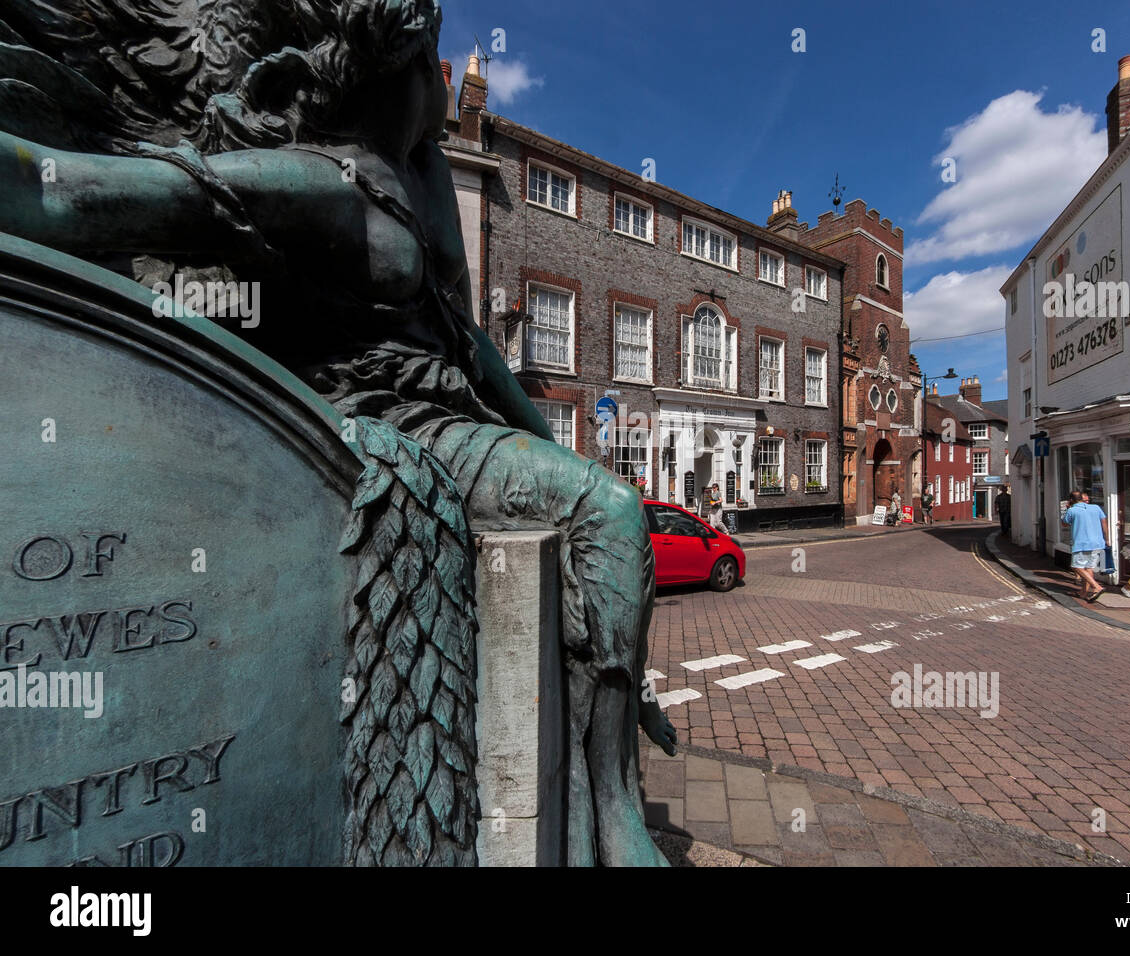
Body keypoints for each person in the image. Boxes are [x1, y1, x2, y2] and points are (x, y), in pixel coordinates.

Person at [0, 0, 674, 867]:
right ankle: (612, 812)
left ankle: (599, 792)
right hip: (377, 422)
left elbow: (469, 342)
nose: (445, 73)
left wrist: (549, 438)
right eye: (433, 51)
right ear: (397, 62)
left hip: (453, 415)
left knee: (605, 508)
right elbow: (65, 192)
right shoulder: (319, 180)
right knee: (614, 514)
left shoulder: (426, 176)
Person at [1063, 490, 1110, 602]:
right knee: (1088, 568)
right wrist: (1107, 539)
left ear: (1071, 500)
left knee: (1076, 567)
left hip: (1082, 544)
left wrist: (1067, 508)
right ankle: (1083, 593)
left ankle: (1096, 587)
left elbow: (1064, 523)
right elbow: (1104, 523)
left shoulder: (1072, 510)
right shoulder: (1096, 508)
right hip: (1098, 543)